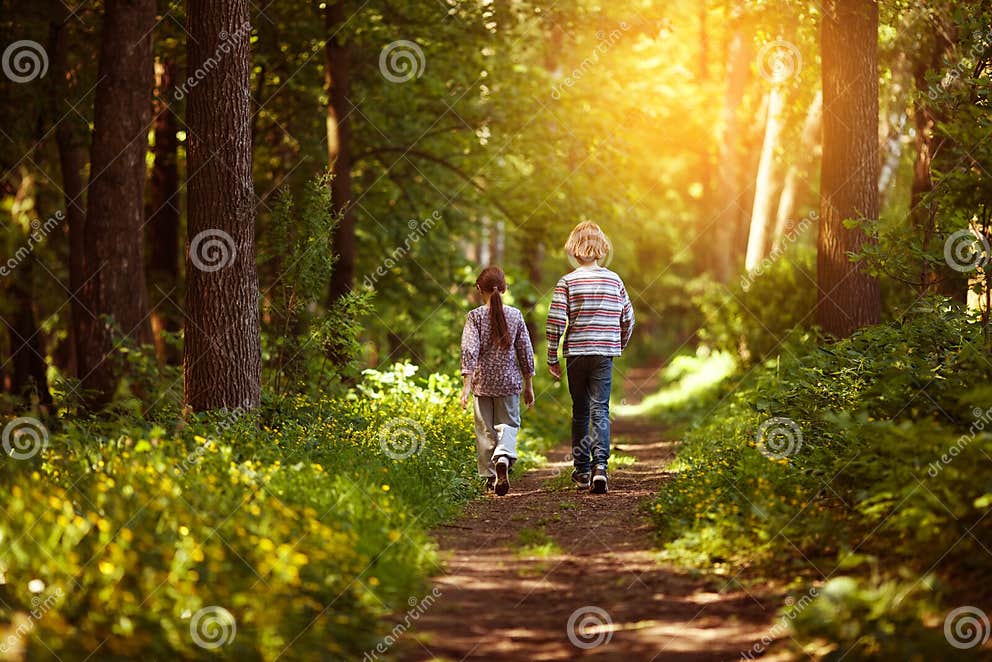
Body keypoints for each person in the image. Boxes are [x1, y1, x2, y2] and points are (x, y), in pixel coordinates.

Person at [546, 222, 634, 494]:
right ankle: (601, 469)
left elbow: (556, 320)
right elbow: (628, 318)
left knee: (581, 411)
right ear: (600, 249)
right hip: (603, 354)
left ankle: (582, 470)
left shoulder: (567, 282)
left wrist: (552, 356)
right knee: (600, 410)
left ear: (574, 248)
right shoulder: (614, 280)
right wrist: (617, 343)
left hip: (576, 354)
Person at [460, 266, 536, 496]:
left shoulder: (474, 316)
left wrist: (465, 386)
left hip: (482, 383)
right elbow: (525, 350)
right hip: (509, 382)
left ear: (478, 289)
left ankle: (489, 478)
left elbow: (469, 350)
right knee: (509, 426)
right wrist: (529, 384)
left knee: (485, 430)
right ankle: (503, 456)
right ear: (504, 289)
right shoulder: (515, 315)